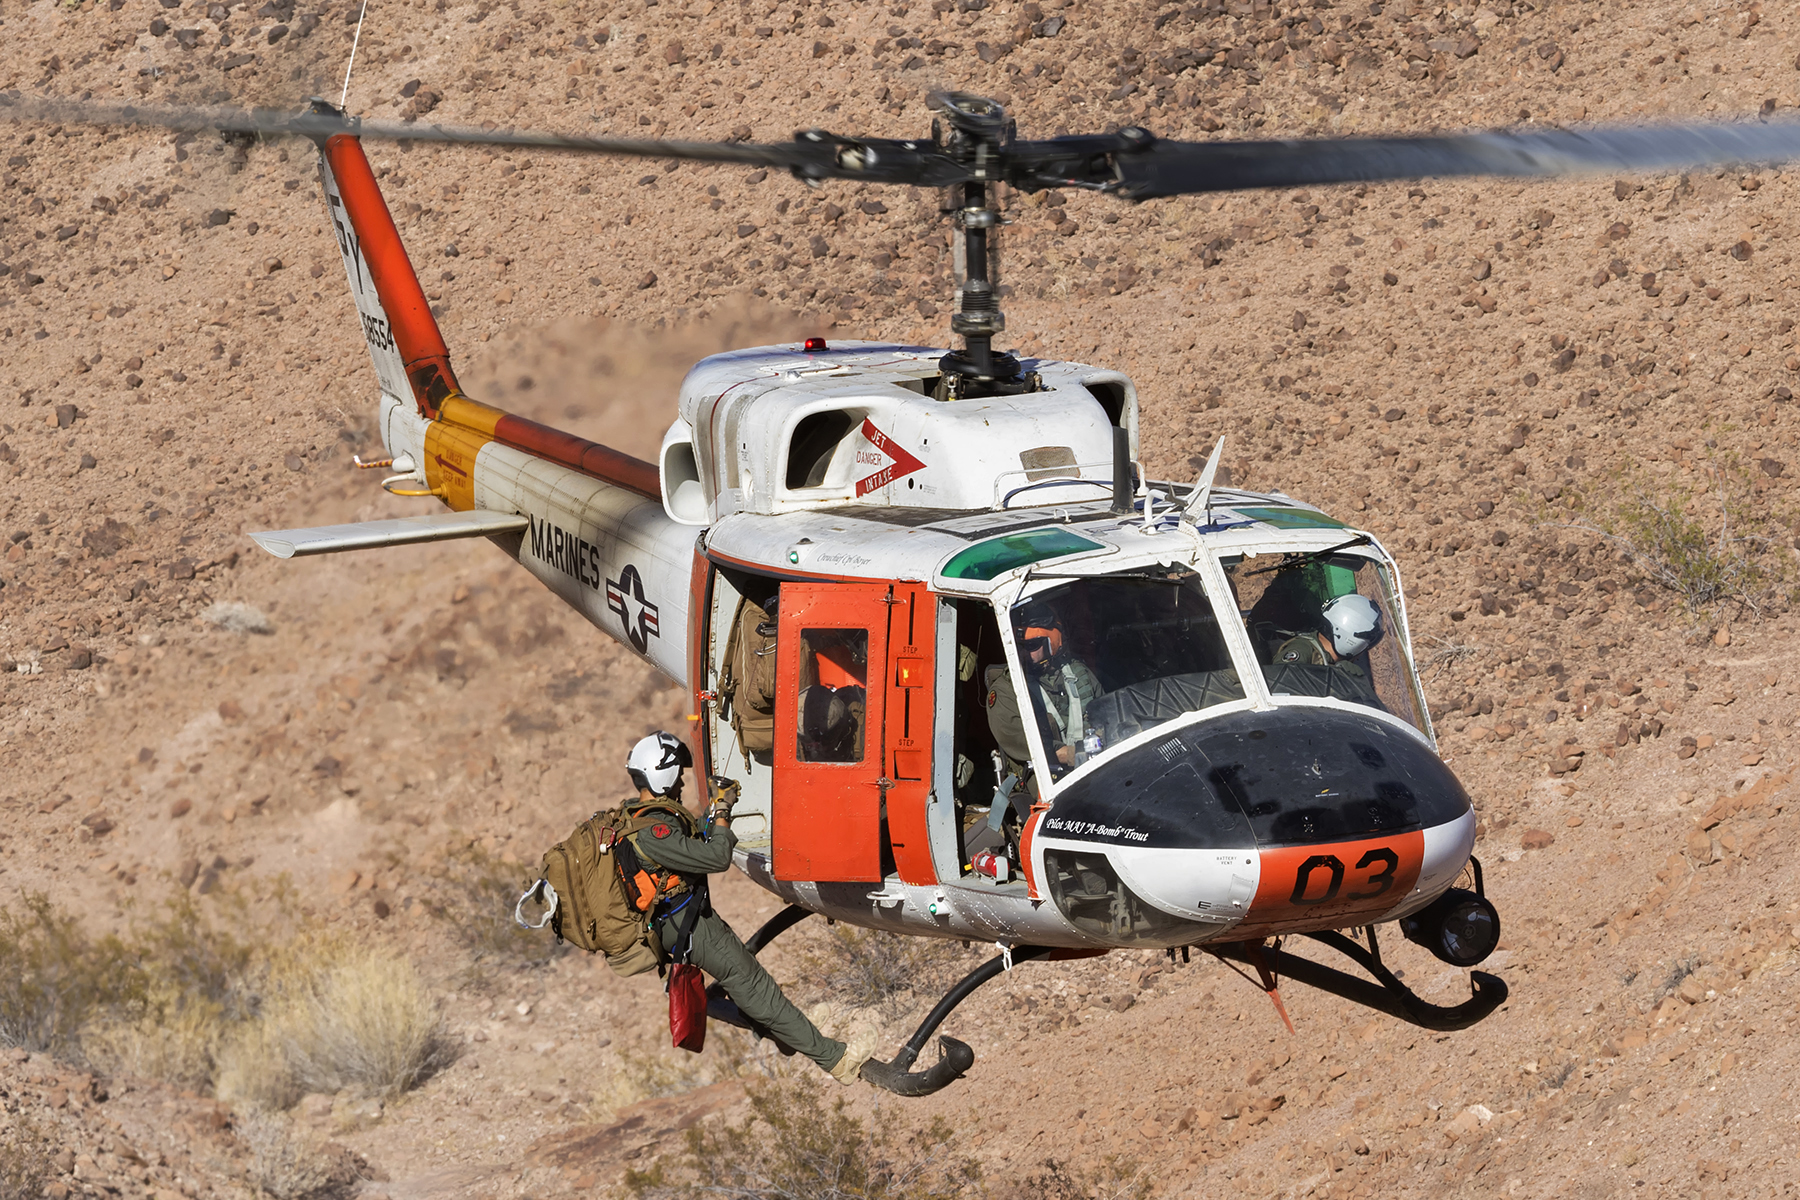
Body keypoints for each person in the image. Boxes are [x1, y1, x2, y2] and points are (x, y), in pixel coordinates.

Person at [620, 731, 875, 1084]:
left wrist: (713, 813)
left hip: (678, 921)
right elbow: (716, 857)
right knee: (755, 988)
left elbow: (689, 845)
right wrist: (723, 811)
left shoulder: (641, 817)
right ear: (660, 774)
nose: (681, 783)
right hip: (688, 927)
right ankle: (838, 1061)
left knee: (752, 986)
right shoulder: (654, 832)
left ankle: (788, 1033)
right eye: (677, 776)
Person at [984, 600, 1103, 796]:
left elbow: (1107, 713)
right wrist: (1071, 754)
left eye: (1032, 645)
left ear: (1053, 642)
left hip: (1095, 765)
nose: (1024, 653)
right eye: (1019, 646)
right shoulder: (1007, 690)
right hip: (1046, 779)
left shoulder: (1079, 673)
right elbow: (1024, 743)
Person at [1273, 592, 1383, 666]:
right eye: (1364, 648)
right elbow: (1282, 686)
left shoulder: (1331, 663)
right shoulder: (1303, 650)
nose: (1360, 656)